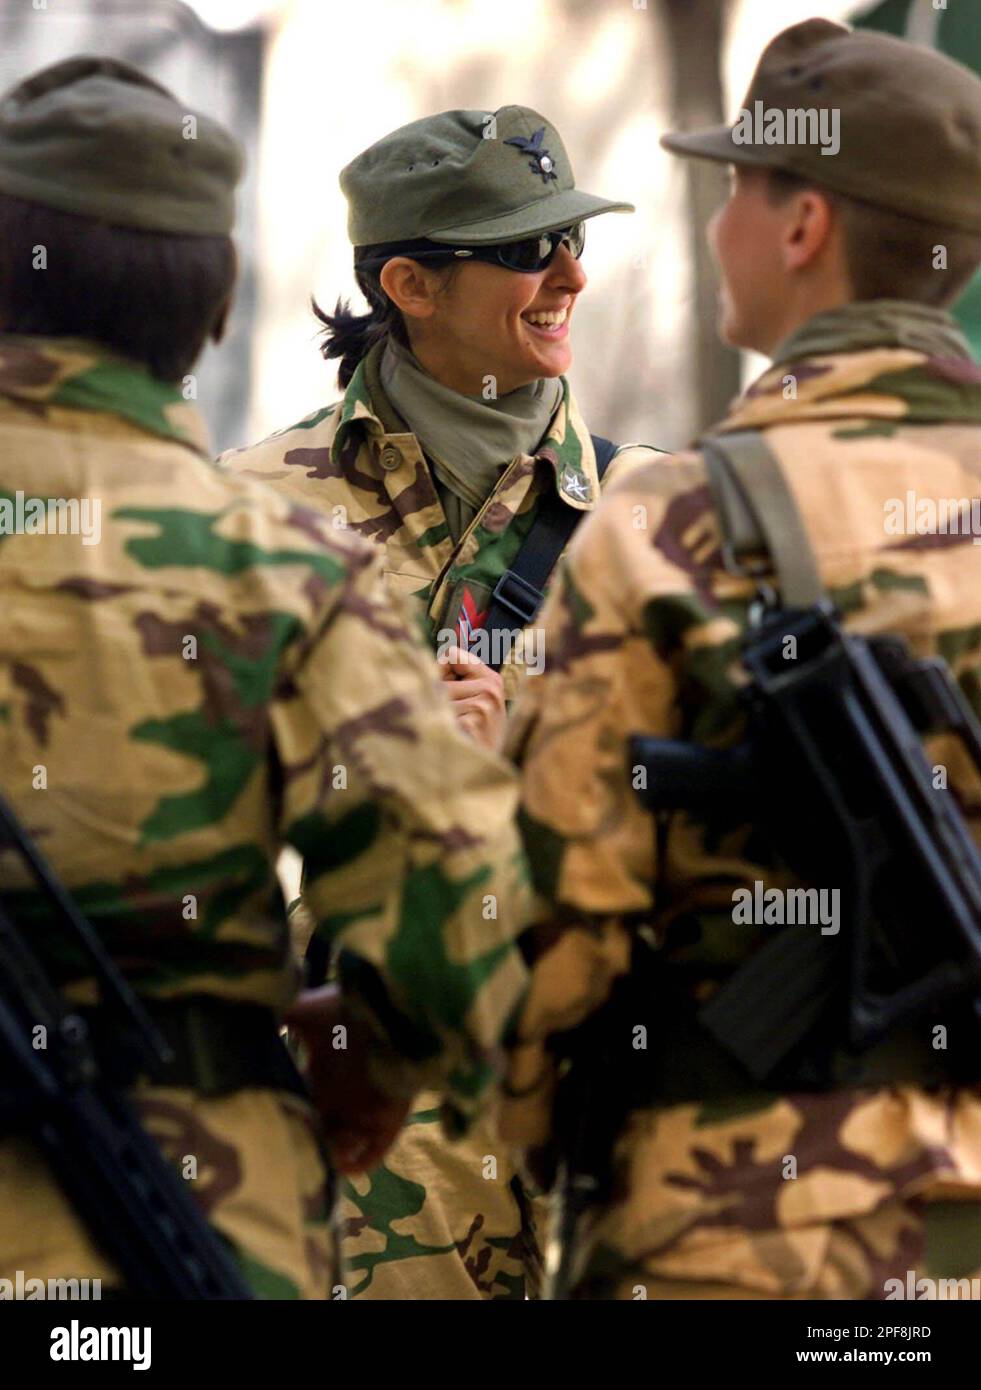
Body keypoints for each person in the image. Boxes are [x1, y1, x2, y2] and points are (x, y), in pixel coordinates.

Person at [0, 56, 530, 1298]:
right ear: (217, 309)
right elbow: (466, 926)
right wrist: (358, 1063)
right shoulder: (278, 565)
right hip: (185, 1214)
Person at [502, 18, 981, 1299]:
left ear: (802, 226)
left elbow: (561, 923)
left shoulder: (668, 525)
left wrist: (536, 1149)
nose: (715, 228)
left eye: (734, 194)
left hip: (730, 1227)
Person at [225, 104, 665, 1298]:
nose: (572, 274)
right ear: (411, 283)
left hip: (619, 1141)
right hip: (377, 1168)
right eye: (529, 249)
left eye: (572, 241)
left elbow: (759, 829)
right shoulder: (253, 512)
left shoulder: (672, 518)